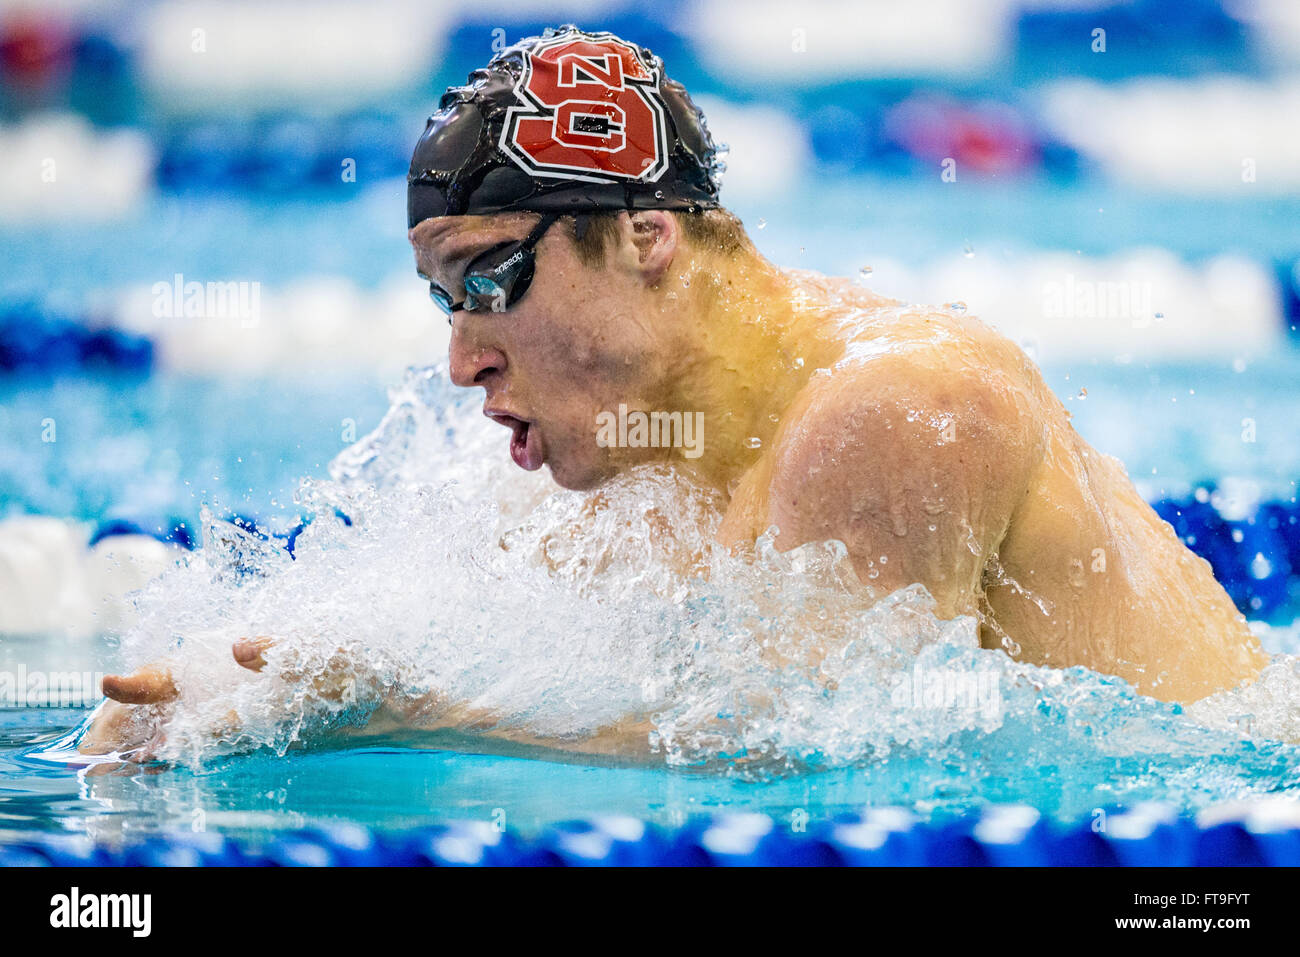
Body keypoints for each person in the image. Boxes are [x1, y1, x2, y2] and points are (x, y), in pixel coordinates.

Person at [79, 25, 1265, 762]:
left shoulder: (905, 406)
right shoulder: (633, 456)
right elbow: (434, 631)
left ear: (646, 235)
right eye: (446, 304)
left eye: (485, 282)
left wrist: (399, 711)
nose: (462, 360)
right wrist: (216, 690)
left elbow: (805, 757)